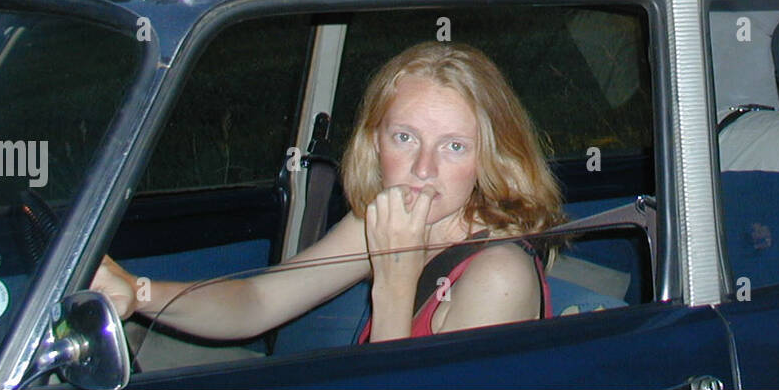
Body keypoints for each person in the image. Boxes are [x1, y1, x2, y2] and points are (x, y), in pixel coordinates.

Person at [92, 41, 566, 343]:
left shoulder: (498, 275)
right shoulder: (386, 221)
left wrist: (395, 285)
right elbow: (256, 303)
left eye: (455, 146)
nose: (423, 169)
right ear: (373, 142)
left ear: (489, 158)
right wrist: (137, 293)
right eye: (404, 138)